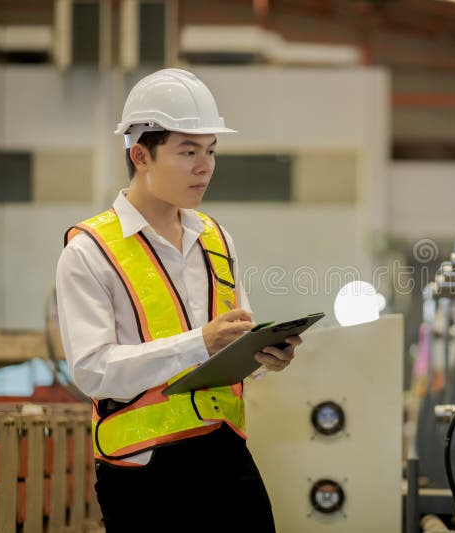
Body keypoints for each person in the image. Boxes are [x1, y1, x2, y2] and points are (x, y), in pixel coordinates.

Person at [55, 68, 299, 532]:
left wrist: (263, 356)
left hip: (224, 454)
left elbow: (230, 341)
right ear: (140, 155)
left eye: (210, 151)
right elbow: (93, 370)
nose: (204, 166)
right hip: (143, 471)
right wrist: (198, 343)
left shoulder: (216, 238)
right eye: (188, 151)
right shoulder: (89, 251)